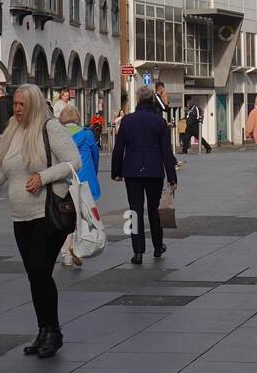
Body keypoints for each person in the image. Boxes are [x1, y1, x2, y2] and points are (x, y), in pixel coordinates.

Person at [0, 84, 80, 357]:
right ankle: (43, 329)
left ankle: (54, 332)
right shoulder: (11, 131)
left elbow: (74, 161)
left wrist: (43, 177)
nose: (17, 109)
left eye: (22, 105)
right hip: (21, 216)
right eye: (15, 104)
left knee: (41, 270)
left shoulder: (49, 128)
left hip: (47, 212)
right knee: (34, 274)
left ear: (33, 104)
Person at [111, 84, 178, 263]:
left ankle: (138, 251)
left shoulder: (127, 121)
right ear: (151, 100)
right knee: (154, 209)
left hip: (132, 171)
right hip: (154, 171)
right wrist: (172, 176)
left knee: (135, 211)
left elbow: (118, 149)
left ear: (139, 100)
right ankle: (158, 245)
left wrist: (116, 172)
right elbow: (166, 151)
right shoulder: (159, 122)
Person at [58, 104, 100, 267]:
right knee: (83, 217)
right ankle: (79, 247)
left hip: (65, 180)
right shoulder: (87, 135)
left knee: (66, 218)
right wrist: (93, 174)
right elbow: (95, 156)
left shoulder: (59, 135)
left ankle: (66, 254)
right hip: (85, 182)